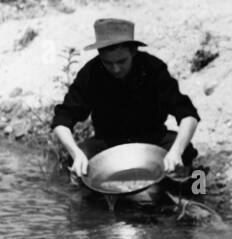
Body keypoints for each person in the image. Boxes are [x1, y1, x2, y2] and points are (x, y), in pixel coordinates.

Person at [51, 19, 200, 180]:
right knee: (75, 164)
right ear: (99, 54)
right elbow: (61, 120)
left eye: (122, 61)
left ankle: (196, 191)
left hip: (153, 140)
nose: (115, 69)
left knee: (188, 158)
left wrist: (176, 152)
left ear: (133, 52)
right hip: (109, 146)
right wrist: (76, 153)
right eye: (108, 63)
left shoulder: (153, 68)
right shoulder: (90, 73)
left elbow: (188, 114)